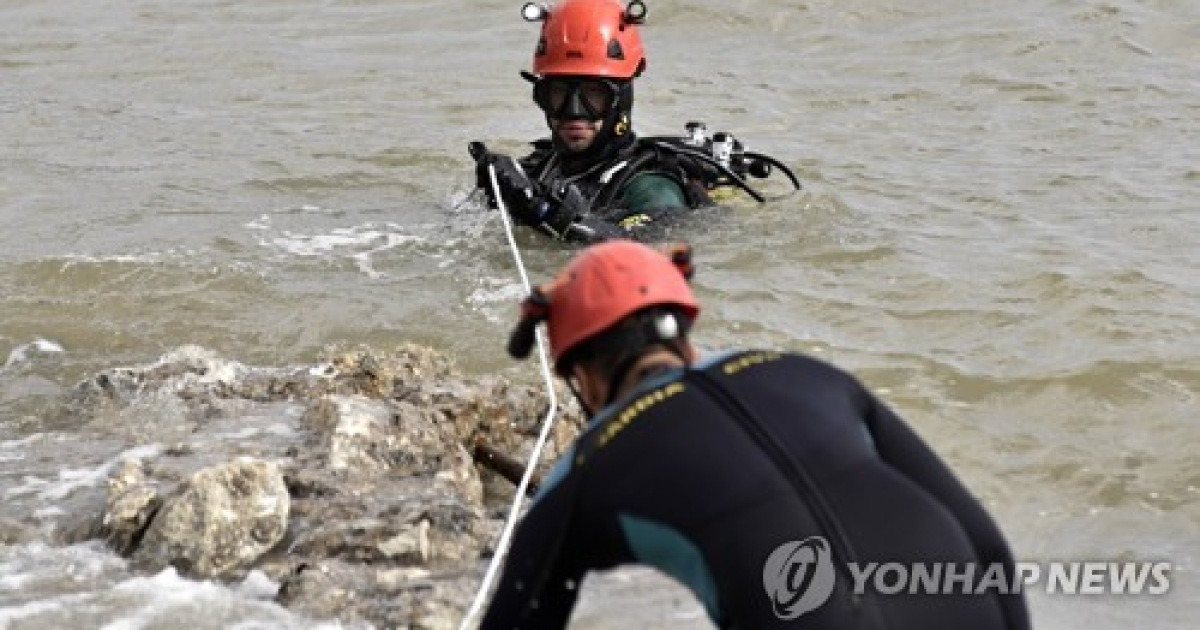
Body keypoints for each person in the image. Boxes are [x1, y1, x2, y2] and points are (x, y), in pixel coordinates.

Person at [480, 240, 1032, 629]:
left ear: (584, 376)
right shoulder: (809, 375)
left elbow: (516, 617)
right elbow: (986, 547)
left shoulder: (589, 466)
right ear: (686, 333)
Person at [470, 0, 800, 244]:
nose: (574, 112)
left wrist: (546, 212)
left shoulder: (652, 185)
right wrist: (497, 195)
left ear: (621, 101)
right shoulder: (544, 166)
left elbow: (641, 245)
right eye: (557, 94)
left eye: (592, 95)